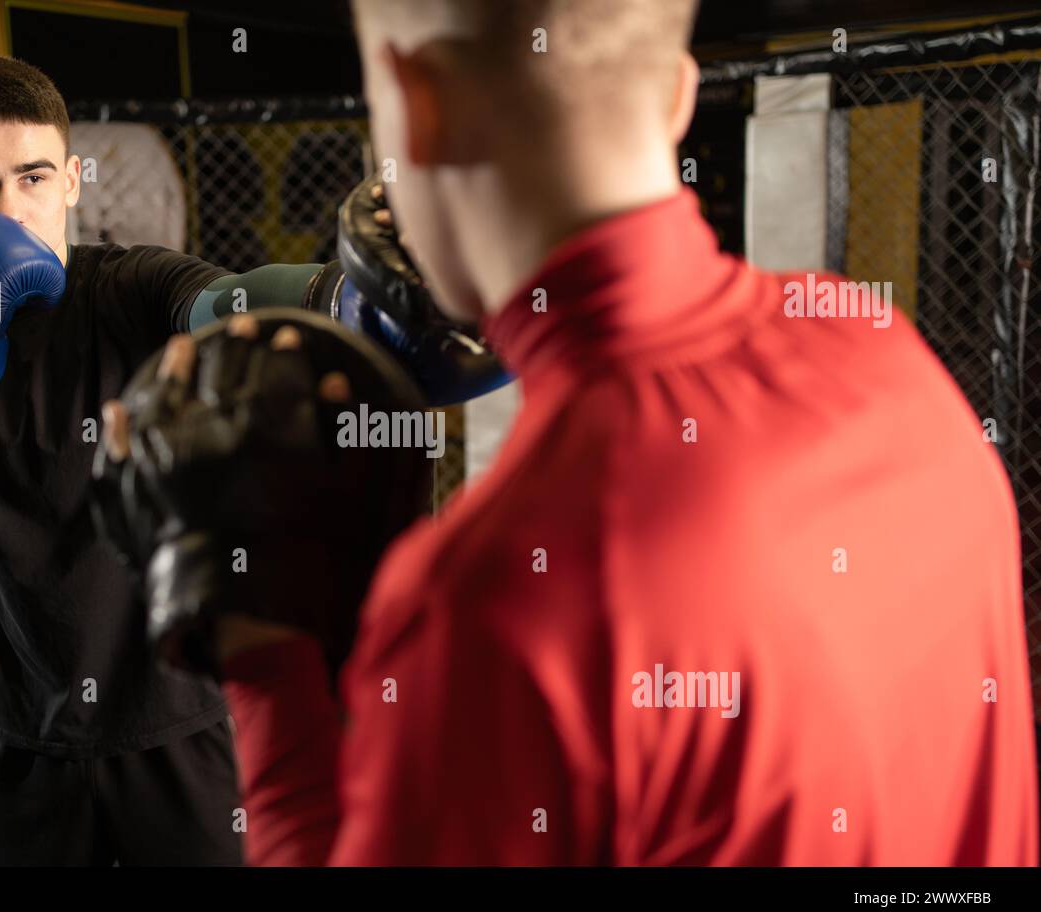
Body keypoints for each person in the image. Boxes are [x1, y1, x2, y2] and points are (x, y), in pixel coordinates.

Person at [102, 0, 1039, 865]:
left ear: (416, 108)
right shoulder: (880, 344)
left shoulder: (497, 591)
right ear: (676, 95)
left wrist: (259, 649)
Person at [0, 54, 438, 865]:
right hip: (30, 742)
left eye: (33, 177)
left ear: (74, 180)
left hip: (181, 733)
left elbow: (223, 305)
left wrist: (353, 302)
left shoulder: (130, 289)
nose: (11, 211)